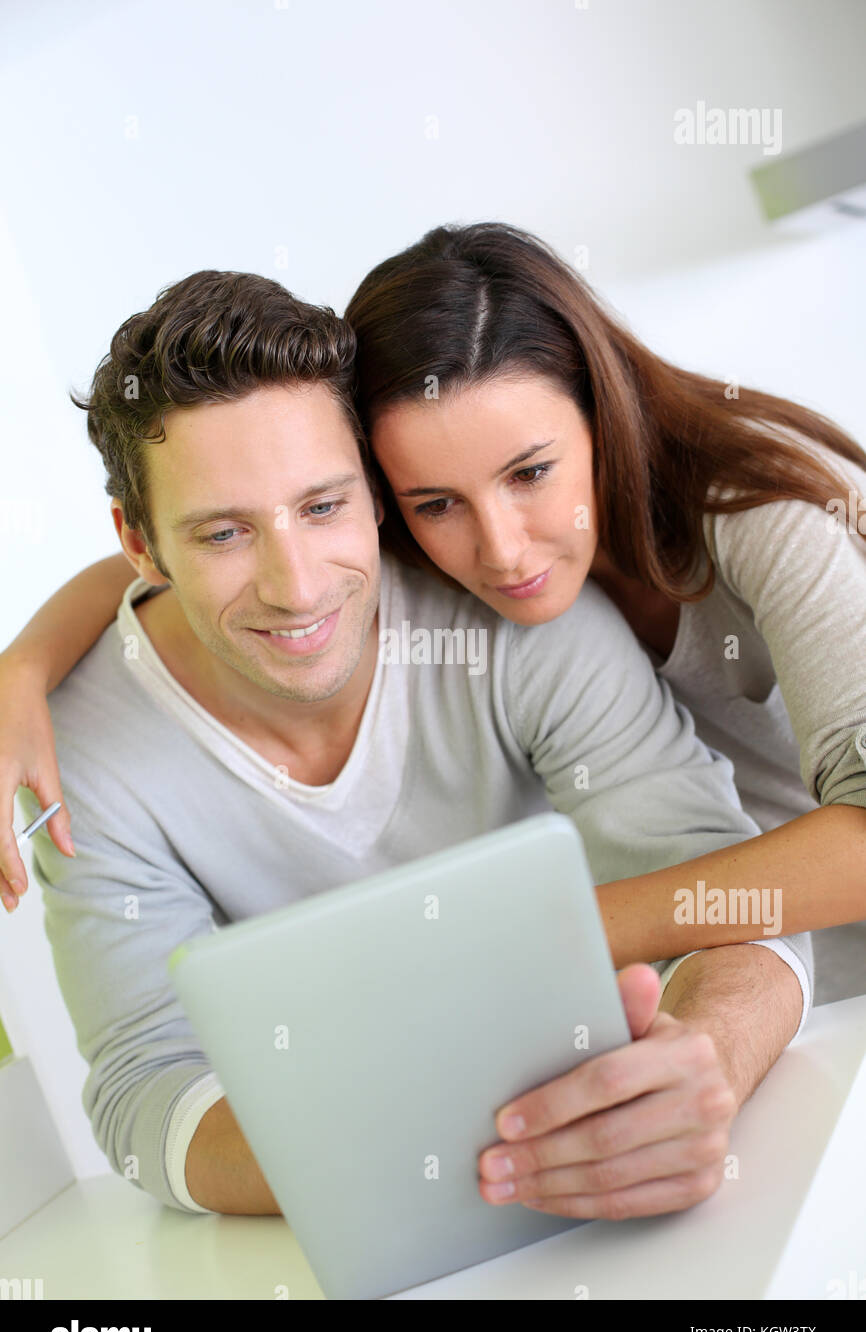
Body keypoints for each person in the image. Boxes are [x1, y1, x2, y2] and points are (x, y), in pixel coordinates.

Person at [8, 270, 809, 1220]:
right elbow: (148, 1090)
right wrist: (421, 1156)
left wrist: (698, 1066)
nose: (297, 587)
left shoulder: (515, 620)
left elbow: (725, 894)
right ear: (138, 544)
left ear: (378, 496)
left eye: (322, 507)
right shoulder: (75, 757)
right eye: (223, 533)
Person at [2, 226, 865, 1006]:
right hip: (797, 996)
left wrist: (560, 931)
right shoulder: (389, 548)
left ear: (605, 411)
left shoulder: (771, 512)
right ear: (382, 494)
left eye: (530, 474)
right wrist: (24, 666)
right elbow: (206, 544)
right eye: (436, 501)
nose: (504, 553)